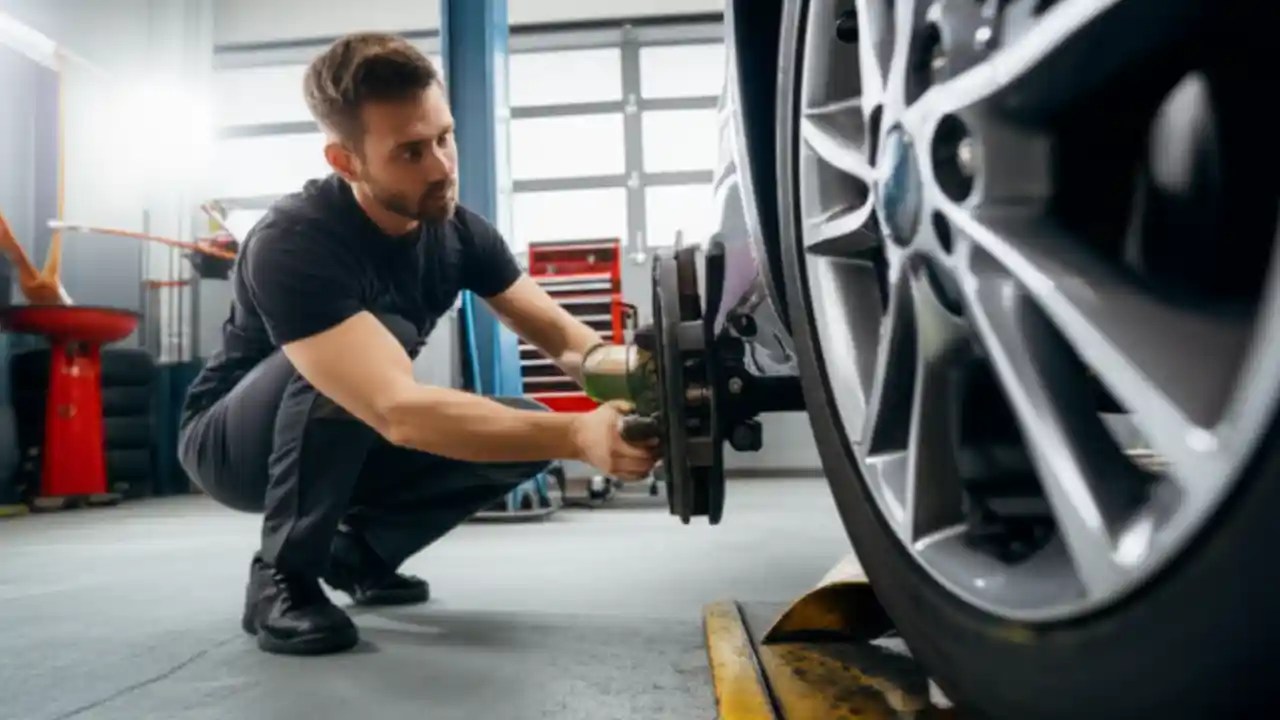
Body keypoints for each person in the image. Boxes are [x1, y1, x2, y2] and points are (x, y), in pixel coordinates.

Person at [178, 32, 659, 656]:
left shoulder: (459, 231)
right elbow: (395, 410)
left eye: (443, 137)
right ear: (345, 161)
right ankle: (281, 578)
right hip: (233, 446)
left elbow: (572, 345)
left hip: (349, 425)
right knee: (385, 352)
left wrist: (639, 380)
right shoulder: (294, 241)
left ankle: (360, 552)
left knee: (522, 429)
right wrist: (579, 437)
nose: (441, 166)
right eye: (410, 152)